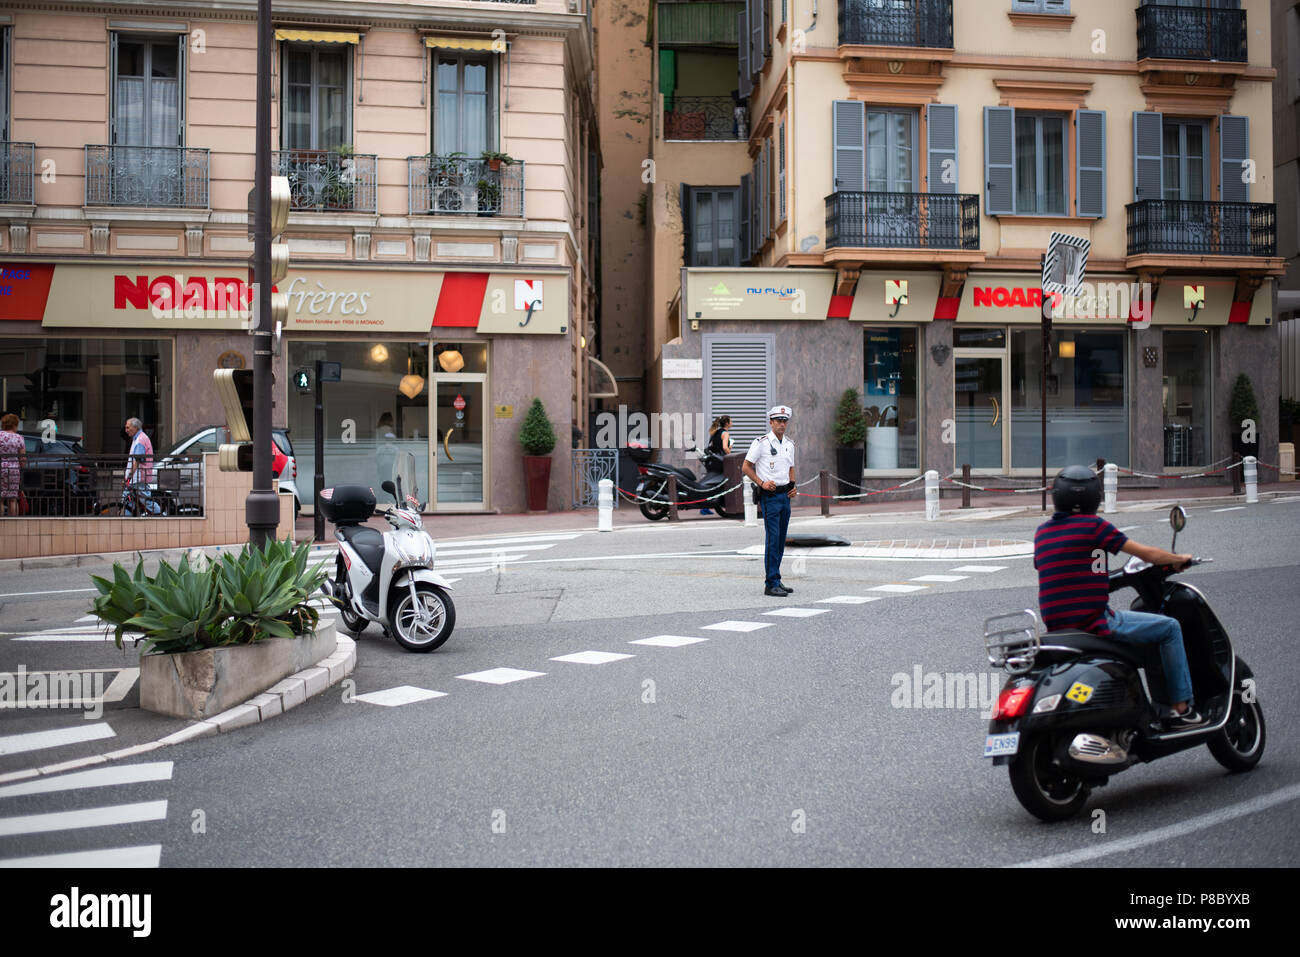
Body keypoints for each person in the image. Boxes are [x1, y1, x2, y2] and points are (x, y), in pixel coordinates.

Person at [1034, 465, 1203, 728]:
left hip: (1058, 628)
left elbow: (1066, 567)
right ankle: (1182, 708)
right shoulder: (1094, 526)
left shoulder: (1042, 533)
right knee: (1169, 627)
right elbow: (1146, 554)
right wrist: (1179, 559)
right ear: (1093, 496)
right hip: (1096, 622)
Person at [742, 405, 797, 597]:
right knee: (773, 539)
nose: (782, 424)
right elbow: (746, 466)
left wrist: (793, 485)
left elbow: (791, 467)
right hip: (770, 496)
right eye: (778, 421)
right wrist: (761, 483)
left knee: (781, 540)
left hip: (784, 497)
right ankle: (770, 583)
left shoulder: (789, 444)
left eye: (784, 421)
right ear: (771, 422)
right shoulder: (761, 443)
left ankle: (777, 578)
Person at [0, 413, 26, 516]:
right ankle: (13, 523)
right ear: (14, 424)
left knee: (0, 498)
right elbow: (22, 457)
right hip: (14, 469)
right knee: (13, 499)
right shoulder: (19, 438)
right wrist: (22, 468)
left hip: (0, 467)